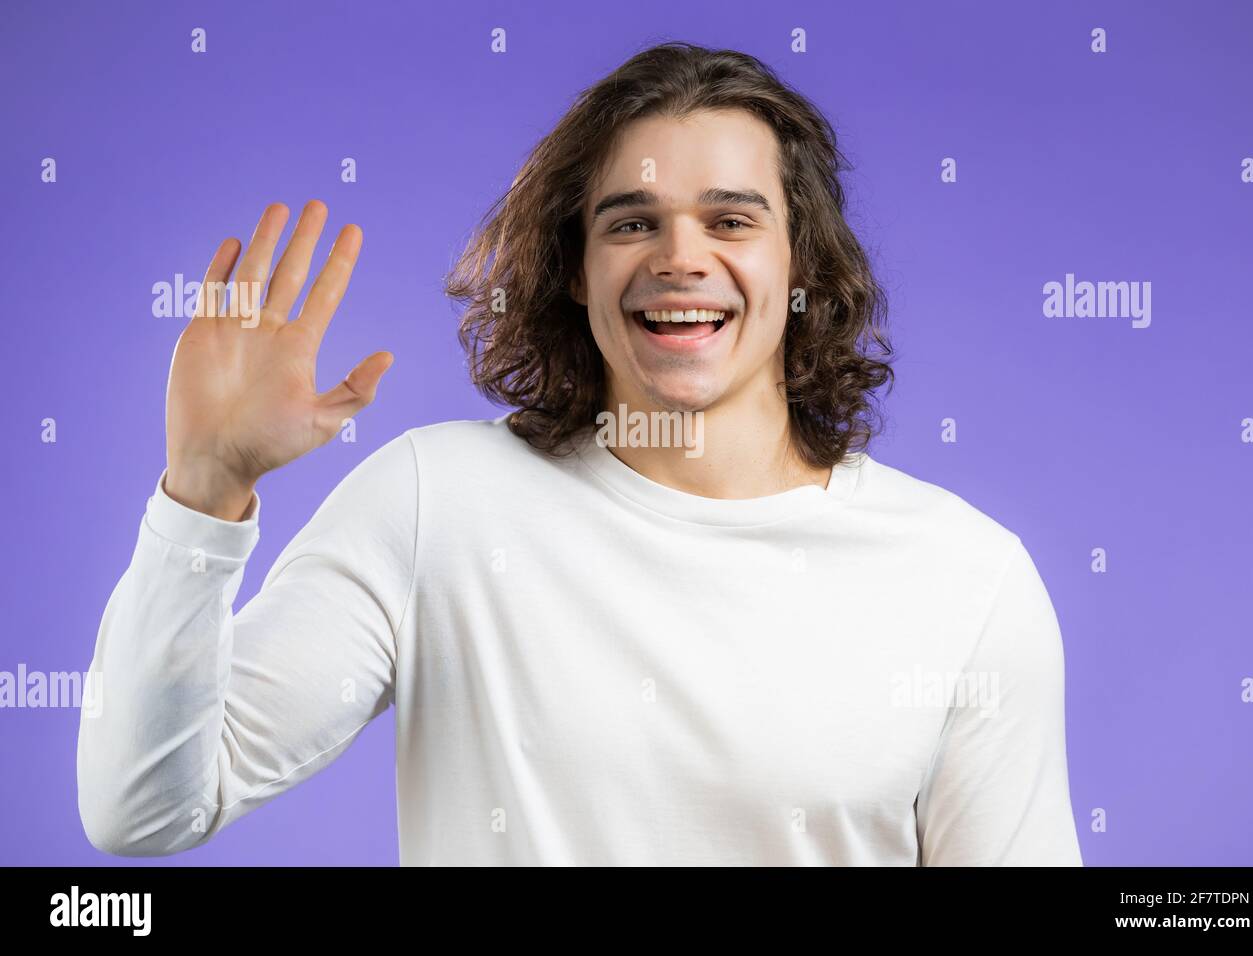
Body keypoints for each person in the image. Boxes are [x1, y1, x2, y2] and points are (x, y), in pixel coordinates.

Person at [77, 42, 1083, 866]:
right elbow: (146, 808)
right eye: (631, 222)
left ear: (802, 263)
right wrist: (204, 493)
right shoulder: (438, 505)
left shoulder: (966, 579)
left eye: (730, 219)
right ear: (574, 272)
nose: (679, 255)